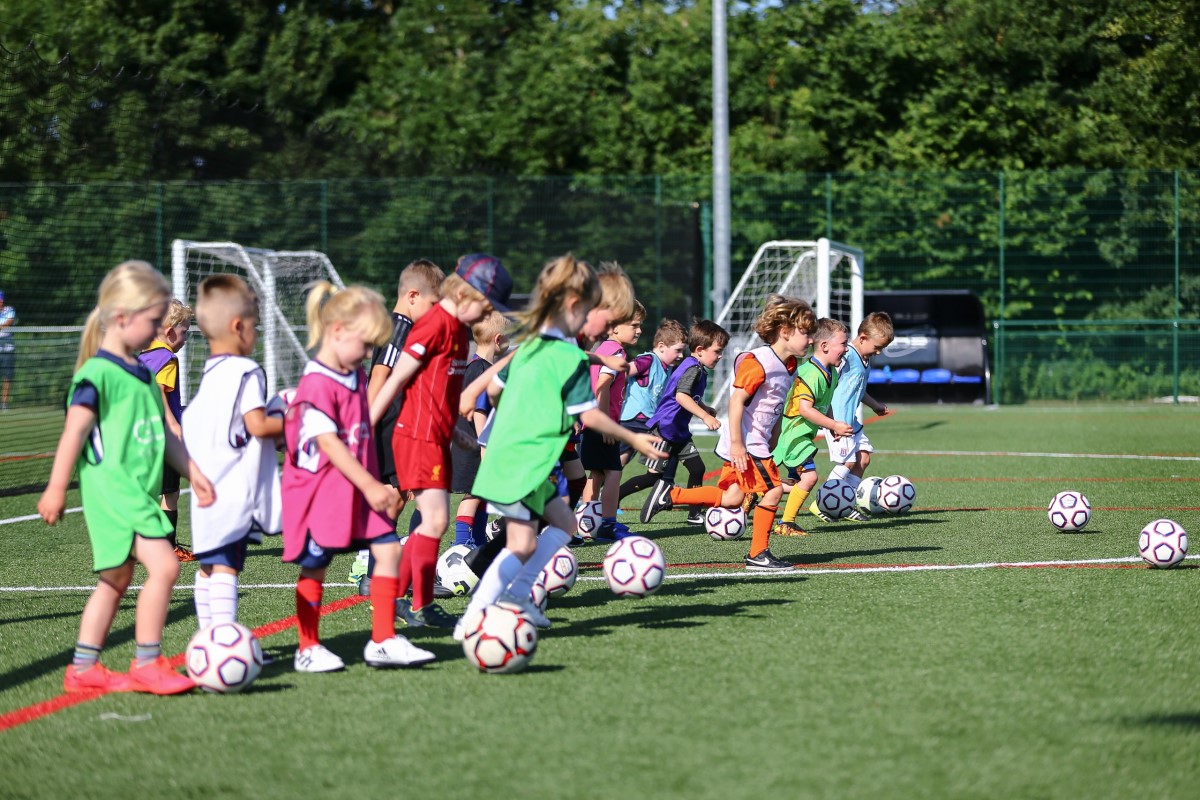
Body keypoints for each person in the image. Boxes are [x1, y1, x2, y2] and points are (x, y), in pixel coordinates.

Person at [455, 254, 667, 637]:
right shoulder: (563, 351)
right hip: (522, 461)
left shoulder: (544, 342)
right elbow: (589, 416)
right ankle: (474, 617)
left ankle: (519, 598)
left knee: (566, 523)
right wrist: (633, 437)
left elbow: (494, 387)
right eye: (608, 317)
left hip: (524, 457)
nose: (608, 327)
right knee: (520, 544)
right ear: (579, 308)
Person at [37, 260, 215, 694]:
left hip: (134, 491)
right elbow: (74, 431)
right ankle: (147, 662)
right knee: (166, 566)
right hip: (114, 493)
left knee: (115, 581)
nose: (159, 330)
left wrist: (193, 471)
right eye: (153, 321)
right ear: (121, 318)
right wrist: (57, 487)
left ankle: (82, 669)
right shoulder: (97, 374)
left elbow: (166, 433)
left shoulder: (143, 372)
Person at [281, 283, 430, 672]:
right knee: (316, 565)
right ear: (337, 332)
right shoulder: (316, 381)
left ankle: (382, 640)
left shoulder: (355, 374)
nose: (369, 354)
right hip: (322, 494)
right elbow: (328, 442)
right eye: (365, 345)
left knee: (387, 549)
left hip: (356, 490)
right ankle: (307, 647)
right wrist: (369, 484)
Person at [369, 253, 512, 634]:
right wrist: (364, 428)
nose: (485, 314)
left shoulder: (456, 331)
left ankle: (414, 601)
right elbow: (395, 381)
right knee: (433, 519)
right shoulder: (433, 325)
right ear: (468, 293)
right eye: (485, 305)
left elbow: (439, 393)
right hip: (416, 437)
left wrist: (457, 431)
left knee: (434, 520)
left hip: (436, 437)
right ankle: (402, 599)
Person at [642, 296, 816, 571]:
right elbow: (736, 402)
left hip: (754, 440)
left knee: (734, 498)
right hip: (745, 442)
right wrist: (737, 444)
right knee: (771, 493)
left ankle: (671, 495)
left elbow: (774, 402)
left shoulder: (790, 364)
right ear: (784, 333)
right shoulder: (758, 362)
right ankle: (758, 553)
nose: (810, 340)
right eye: (805, 333)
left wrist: (776, 431)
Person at [182, 275, 284, 633]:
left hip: (204, 490)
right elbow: (257, 425)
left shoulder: (209, 373)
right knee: (226, 566)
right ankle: (224, 639)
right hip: (231, 491)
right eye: (255, 326)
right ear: (238, 327)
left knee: (208, 565)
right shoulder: (246, 371)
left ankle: (208, 636)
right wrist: (291, 420)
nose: (256, 334)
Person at [349, 259, 444, 592]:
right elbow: (379, 378)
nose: (436, 312)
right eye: (433, 304)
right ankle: (396, 575)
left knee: (397, 499)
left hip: (392, 423)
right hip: (387, 423)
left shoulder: (399, 325)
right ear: (413, 296)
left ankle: (378, 574)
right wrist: (365, 427)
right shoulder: (400, 326)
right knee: (421, 500)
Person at [629, 319, 729, 525]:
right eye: (717, 351)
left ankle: (694, 515)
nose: (720, 356)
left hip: (679, 432)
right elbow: (681, 396)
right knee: (652, 478)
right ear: (700, 350)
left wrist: (705, 408)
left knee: (697, 469)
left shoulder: (696, 367)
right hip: (664, 430)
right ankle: (609, 500)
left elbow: (689, 398)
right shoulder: (692, 369)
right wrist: (705, 416)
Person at [771, 318, 854, 536]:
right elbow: (806, 409)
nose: (846, 349)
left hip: (804, 436)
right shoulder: (810, 373)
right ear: (825, 346)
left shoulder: (832, 372)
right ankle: (785, 523)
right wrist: (834, 424)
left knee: (796, 481)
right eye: (843, 344)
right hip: (793, 435)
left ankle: (761, 490)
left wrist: (832, 427)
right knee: (809, 478)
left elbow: (824, 404)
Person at [811, 311, 894, 522]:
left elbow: (859, 389)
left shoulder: (865, 359)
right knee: (847, 462)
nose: (878, 352)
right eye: (877, 347)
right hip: (837, 420)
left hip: (851, 421)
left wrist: (875, 405)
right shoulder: (846, 354)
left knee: (864, 457)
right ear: (863, 338)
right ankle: (822, 502)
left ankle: (845, 502)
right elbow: (824, 363)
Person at [577, 297, 645, 540]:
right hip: (601, 423)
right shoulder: (615, 351)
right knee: (613, 472)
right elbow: (602, 387)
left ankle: (586, 521)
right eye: (634, 325)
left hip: (591, 422)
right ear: (615, 327)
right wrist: (606, 424)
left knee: (596, 474)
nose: (640, 330)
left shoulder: (602, 349)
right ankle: (607, 524)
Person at [138, 298, 195, 560]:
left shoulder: (143, 357)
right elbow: (158, 391)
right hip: (163, 436)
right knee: (170, 492)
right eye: (184, 331)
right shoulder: (168, 359)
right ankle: (168, 547)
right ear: (171, 332)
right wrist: (173, 424)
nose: (185, 338)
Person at [451, 310, 510, 548]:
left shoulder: (479, 367)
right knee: (473, 495)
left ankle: (475, 542)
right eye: (508, 337)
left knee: (482, 495)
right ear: (497, 339)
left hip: (476, 444)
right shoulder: (481, 370)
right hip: (475, 447)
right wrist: (486, 447)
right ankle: (461, 544)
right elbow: (478, 412)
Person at [0, 289, 15, 411]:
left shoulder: (9, 310)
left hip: (8, 347)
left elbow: (9, 322)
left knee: (7, 376)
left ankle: (4, 404)